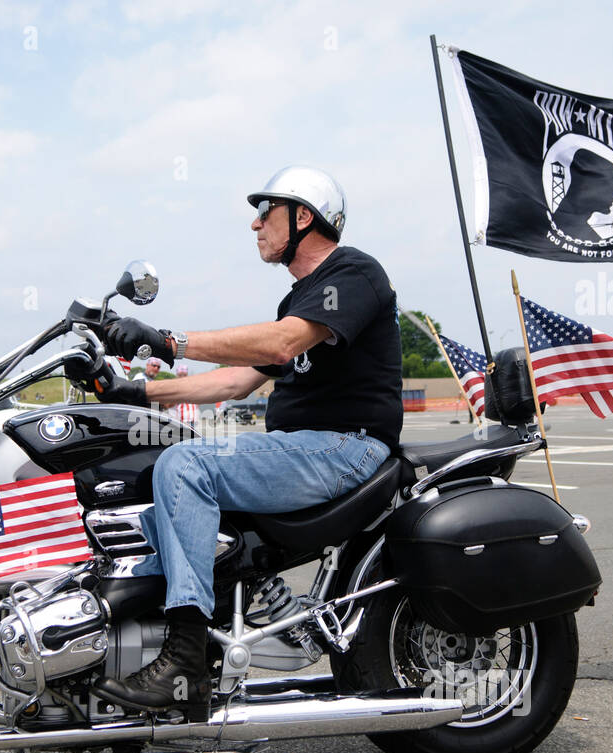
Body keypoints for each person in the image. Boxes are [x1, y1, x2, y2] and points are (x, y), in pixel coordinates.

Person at [90, 166, 404, 715]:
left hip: (345, 446)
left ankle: (185, 659)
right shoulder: (300, 300)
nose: (255, 225)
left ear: (303, 217)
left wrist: (167, 341)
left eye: (266, 213)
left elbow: (283, 346)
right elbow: (236, 381)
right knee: (148, 488)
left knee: (184, 467)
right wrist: (136, 393)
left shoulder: (354, 274)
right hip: (308, 449)